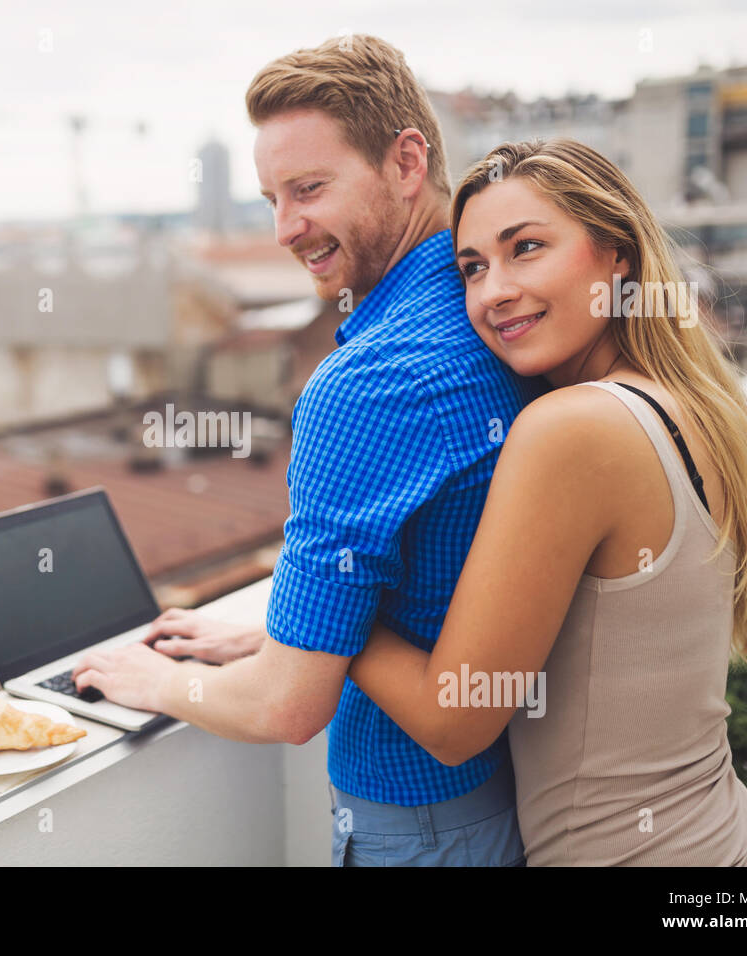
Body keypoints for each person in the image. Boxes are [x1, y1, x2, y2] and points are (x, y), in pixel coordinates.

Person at [72, 33, 540, 866]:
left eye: (309, 189)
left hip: (420, 829)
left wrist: (151, 682)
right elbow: (436, 575)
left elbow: (287, 710)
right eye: (269, 199)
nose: (288, 228)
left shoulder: (366, 384)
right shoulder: (496, 319)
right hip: (499, 800)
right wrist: (284, 635)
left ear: (405, 162)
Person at [344, 136, 747, 866]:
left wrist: (321, 615)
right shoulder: (688, 403)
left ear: (617, 256)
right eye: (472, 268)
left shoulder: (572, 429)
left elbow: (454, 720)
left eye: (527, 247)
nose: (493, 290)